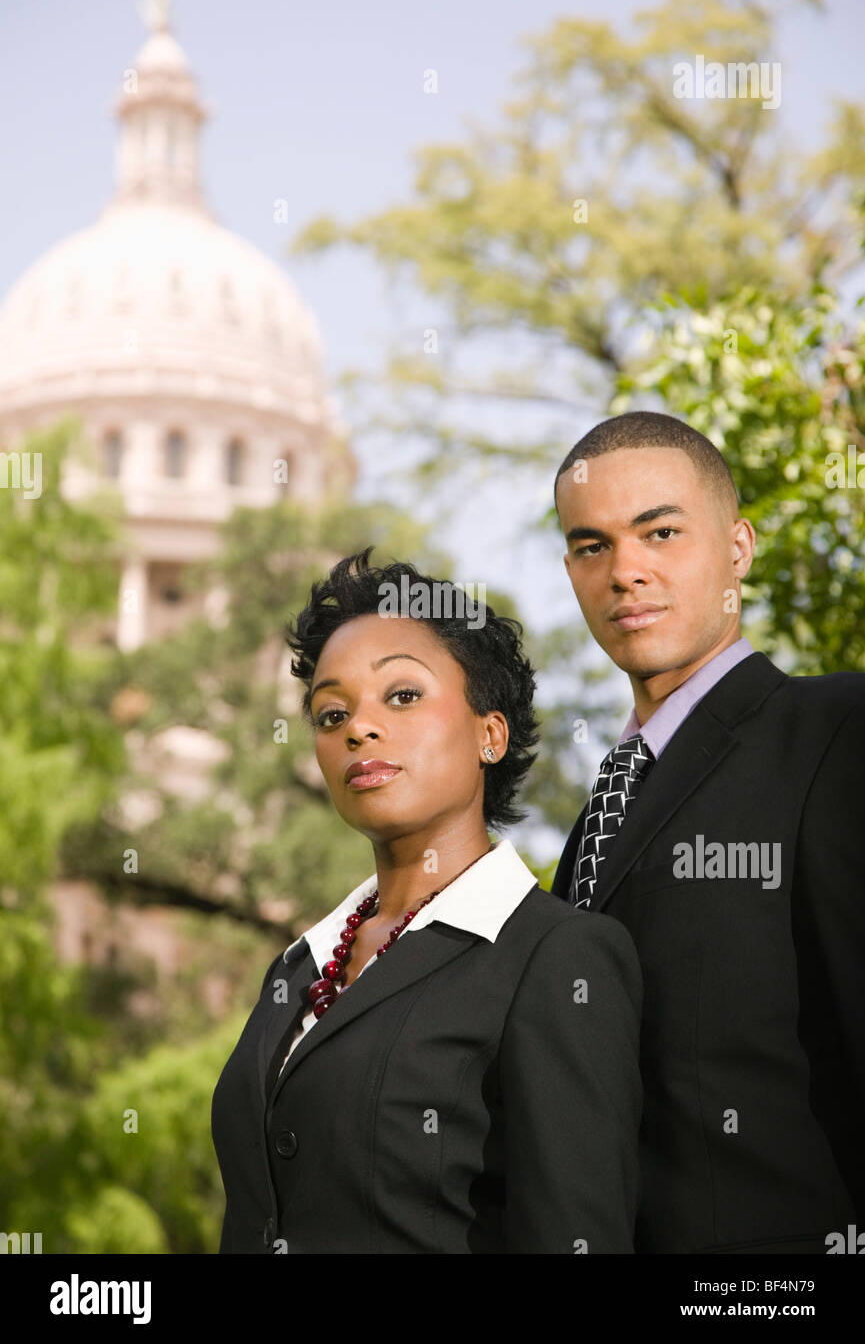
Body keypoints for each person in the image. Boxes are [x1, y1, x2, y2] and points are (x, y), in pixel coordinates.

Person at [211, 548, 642, 1254]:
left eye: (402, 696)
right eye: (329, 713)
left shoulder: (555, 956)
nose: (358, 728)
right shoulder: (298, 968)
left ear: (489, 733)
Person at [551, 410, 865, 1255]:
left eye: (659, 532)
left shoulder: (835, 732)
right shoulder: (595, 820)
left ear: (737, 548)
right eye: (591, 546)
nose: (626, 572)